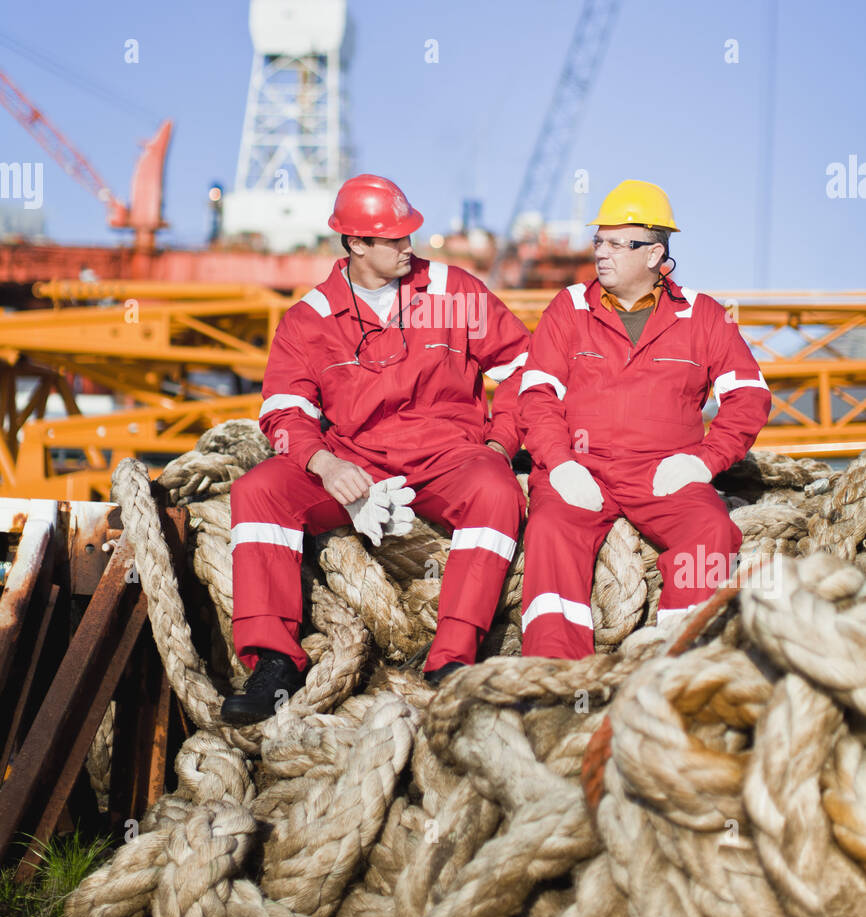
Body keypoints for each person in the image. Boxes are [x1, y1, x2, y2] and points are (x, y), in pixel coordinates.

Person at [222, 173, 531, 723]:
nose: (408, 247)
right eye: (393, 239)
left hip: (449, 458)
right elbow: (283, 412)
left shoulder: (452, 293)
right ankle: (274, 661)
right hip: (353, 463)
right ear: (356, 244)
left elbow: (523, 371)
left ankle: (452, 659)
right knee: (260, 491)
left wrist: (500, 444)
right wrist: (324, 462)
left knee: (495, 490)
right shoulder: (310, 319)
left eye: (410, 233)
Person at [517, 178, 771, 659]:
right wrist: (560, 463)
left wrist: (704, 462)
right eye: (599, 241)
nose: (601, 253)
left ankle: (682, 663)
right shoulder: (569, 308)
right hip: (580, 466)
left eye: (617, 243)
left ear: (654, 254)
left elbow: (749, 396)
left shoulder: (704, 315)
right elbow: (537, 394)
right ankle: (554, 671)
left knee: (710, 531)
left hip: (663, 471)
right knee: (551, 532)